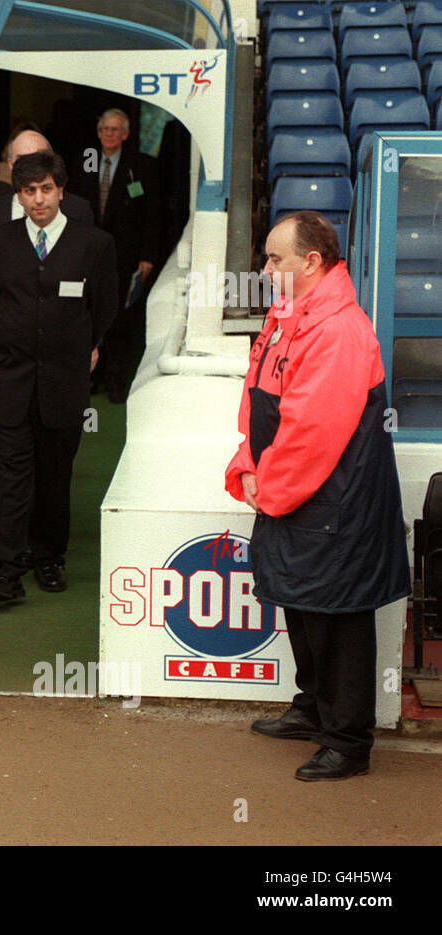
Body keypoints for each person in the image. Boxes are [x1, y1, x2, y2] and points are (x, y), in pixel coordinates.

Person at [225, 211, 410, 781]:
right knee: (302, 605)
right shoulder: (287, 314)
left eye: (274, 258)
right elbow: (257, 401)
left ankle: (348, 742)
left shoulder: (338, 329)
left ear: (311, 261)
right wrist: (247, 464)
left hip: (335, 502)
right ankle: (313, 709)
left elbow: (314, 430)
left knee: (337, 617)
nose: (264, 269)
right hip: (297, 492)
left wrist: (268, 487)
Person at [0, 151, 117, 602]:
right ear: (19, 195)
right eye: (30, 191)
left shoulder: (94, 244)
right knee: (11, 477)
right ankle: (5, 571)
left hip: (64, 383)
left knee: (55, 476)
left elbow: (104, 307)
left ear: (62, 191)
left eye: (47, 189)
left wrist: (80, 347)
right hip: (9, 381)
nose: (39, 199)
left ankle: (49, 558)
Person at [69, 108, 160, 402]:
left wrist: (147, 256)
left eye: (115, 129)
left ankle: (117, 380)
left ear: (125, 134)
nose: (109, 134)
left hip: (125, 256)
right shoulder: (86, 162)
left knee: (120, 320)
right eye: (105, 129)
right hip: (89, 256)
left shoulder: (141, 166)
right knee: (89, 315)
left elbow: (153, 216)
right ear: (98, 133)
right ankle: (92, 377)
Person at [0, 129, 94, 286]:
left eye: (39, 158)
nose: (32, 168)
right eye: (22, 160)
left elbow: (90, 276)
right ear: (10, 165)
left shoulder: (78, 210)